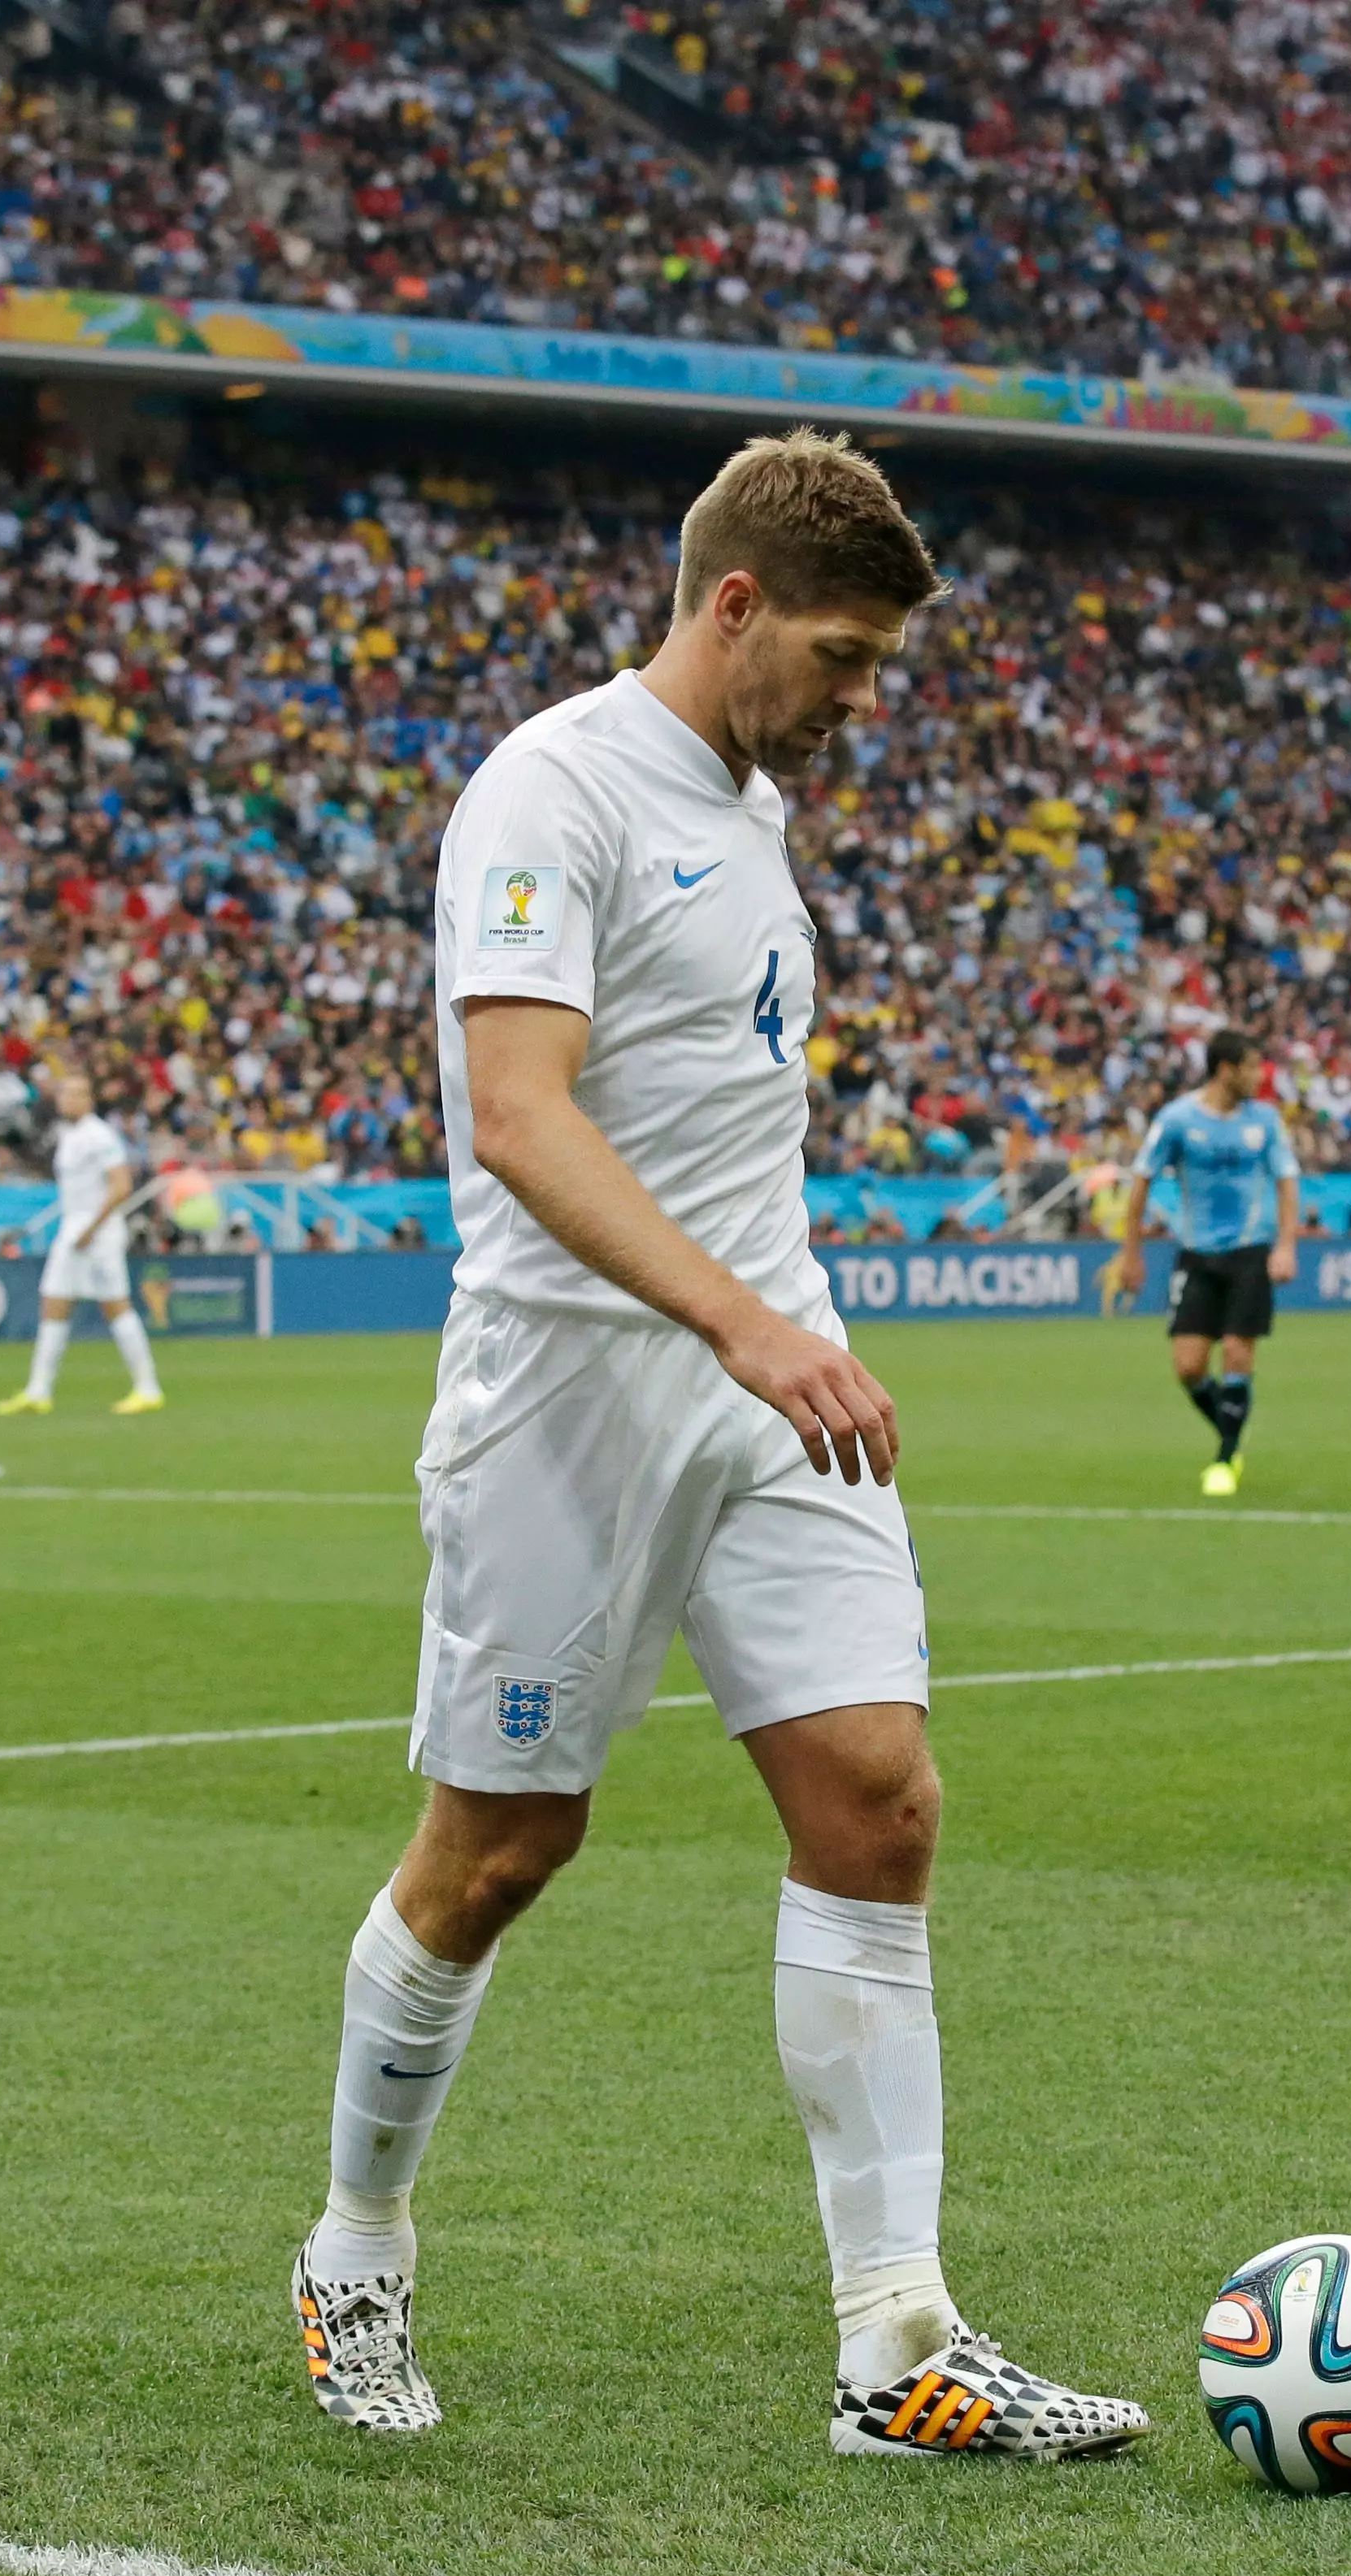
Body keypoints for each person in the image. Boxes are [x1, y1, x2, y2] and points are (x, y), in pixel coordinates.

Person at [293, 428, 1145, 2463]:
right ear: (733, 604)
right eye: (843, 658)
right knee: (501, 1851)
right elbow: (520, 1116)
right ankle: (356, 2250)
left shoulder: (750, 809)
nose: (861, 701)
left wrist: (778, 1326)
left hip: (771, 1381)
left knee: (878, 1800)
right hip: (574, 1395)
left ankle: (898, 2344)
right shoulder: (552, 787)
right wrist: (746, 1323)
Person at [1120, 1029, 1300, 1497]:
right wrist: (1131, 1253)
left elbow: (1286, 1182)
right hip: (1197, 1254)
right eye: (1252, 1067)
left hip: (1249, 1252)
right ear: (1226, 1069)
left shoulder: (1265, 1120)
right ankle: (1232, 1431)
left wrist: (1285, 1246)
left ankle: (1224, 1458)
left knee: (1239, 1353)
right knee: (1188, 1366)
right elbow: (1140, 1183)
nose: (1259, 1077)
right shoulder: (1178, 1120)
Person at [0, 1069, 164, 1414]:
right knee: (53, 1302)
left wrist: (93, 1227)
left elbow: (121, 1185)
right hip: (73, 1229)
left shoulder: (100, 1136)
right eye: (63, 1094)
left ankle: (148, 1388)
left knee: (115, 1305)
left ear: (88, 1100)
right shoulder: (68, 1135)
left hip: (97, 1233)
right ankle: (39, 1391)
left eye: (75, 1094)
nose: (66, 1100)